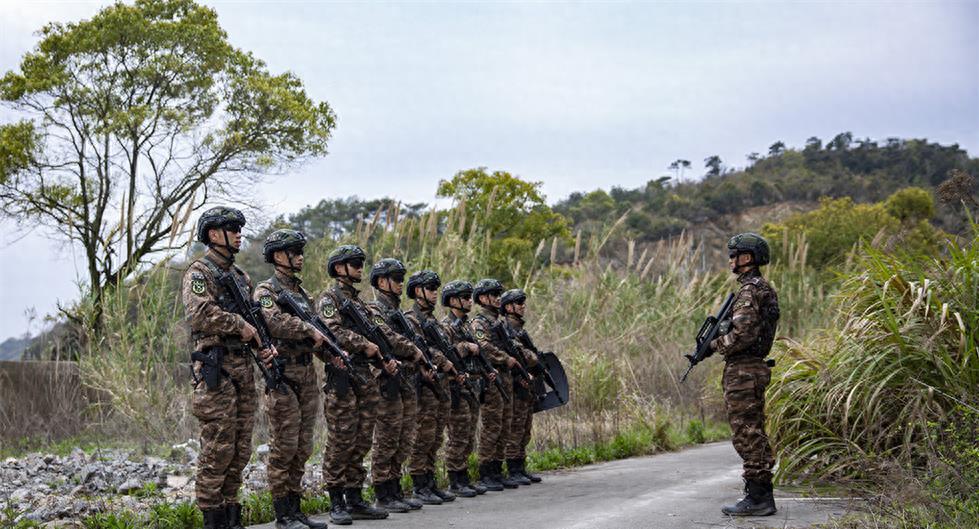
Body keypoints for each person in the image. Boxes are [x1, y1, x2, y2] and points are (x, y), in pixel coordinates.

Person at [182, 207, 276, 529]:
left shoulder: (241, 277)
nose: (239, 233)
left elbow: (253, 321)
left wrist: (262, 345)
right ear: (212, 234)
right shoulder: (200, 273)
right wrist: (239, 325)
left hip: (242, 368)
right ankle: (213, 519)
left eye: (239, 228)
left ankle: (231, 514)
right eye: (231, 228)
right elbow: (201, 314)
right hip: (217, 369)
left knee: (240, 447)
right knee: (218, 448)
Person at [253, 229, 331, 529]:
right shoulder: (266, 291)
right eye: (293, 251)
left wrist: (329, 351)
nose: (300, 256)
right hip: (282, 375)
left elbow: (318, 333)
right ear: (277, 256)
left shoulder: (302, 294)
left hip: (306, 374)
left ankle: (296, 510)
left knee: (302, 446)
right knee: (283, 447)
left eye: (300, 251)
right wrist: (307, 330)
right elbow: (272, 321)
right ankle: (282, 514)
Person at [315, 245, 394, 525]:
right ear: (339, 268)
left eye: (361, 262)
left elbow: (375, 332)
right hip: (342, 377)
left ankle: (355, 497)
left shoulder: (359, 303)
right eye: (353, 263)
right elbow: (331, 331)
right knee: (341, 439)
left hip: (364, 376)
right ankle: (336, 500)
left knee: (361, 439)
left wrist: (383, 356)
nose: (360, 267)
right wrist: (366, 345)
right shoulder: (330, 297)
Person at [709, 233, 780, 517]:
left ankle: (759, 498)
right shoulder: (758, 288)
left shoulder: (751, 290)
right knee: (750, 431)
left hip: (745, 369)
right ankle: (758, 495)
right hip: (749, 368)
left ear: (747, 258)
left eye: (734, 254)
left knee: (747, 433)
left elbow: (743, 335)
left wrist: (714, 345)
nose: (730, 260)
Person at [364, 258, 430, 512]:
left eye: (402, 279)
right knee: (387, 437)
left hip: (404, 379)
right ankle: (383, 491)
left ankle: (394, 489)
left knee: (404, 438)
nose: (401, 283)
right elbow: (386, 337)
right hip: (387, 380)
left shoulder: (397, 312)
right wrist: (413, 350)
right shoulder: (374, 309)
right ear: (382, 282)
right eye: (396, 278)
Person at [404, 270, 464, 502]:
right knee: (424, 435)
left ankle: (429, 481)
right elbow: (420, 348)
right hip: (425, 384)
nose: (434, 293)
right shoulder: (412, 318)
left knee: (436, 436)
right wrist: (443, 362)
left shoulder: (433, 321)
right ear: (418, 291)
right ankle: (420, 484)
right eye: (430, 289)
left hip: (439, 384)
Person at [469, 279, 523, 490]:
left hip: (505, 380)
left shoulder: (499, 323)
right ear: (483, 298)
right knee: (492, 427)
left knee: (504, 425)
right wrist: (505, 358)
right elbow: (484, 347)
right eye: (494, 294)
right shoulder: (480, 323)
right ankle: (486, 471)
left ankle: (498, 470)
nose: (499, 298)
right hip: (491, 381)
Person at [441, 280, 491, 497]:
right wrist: (465, 347)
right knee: (458, 435)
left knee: (469, 435)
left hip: (473, 387)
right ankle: (455, 479)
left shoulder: (467, 325)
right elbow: (445, 352)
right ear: (453, 301)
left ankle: (463, 478)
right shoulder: (446, 326)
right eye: (465, 297)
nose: (470, 301)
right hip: (457, 388)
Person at [499, 288, 543, 485]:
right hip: (515, 383)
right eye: (519, 302)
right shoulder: (505, 329)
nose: (523, 306)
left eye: (523, 302)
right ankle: (512, 468)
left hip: (525, 383)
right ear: (508, 307)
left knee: (524, 428)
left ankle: (519, 466)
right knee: (515, 427)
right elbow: (522, 356)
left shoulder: (519, 330)